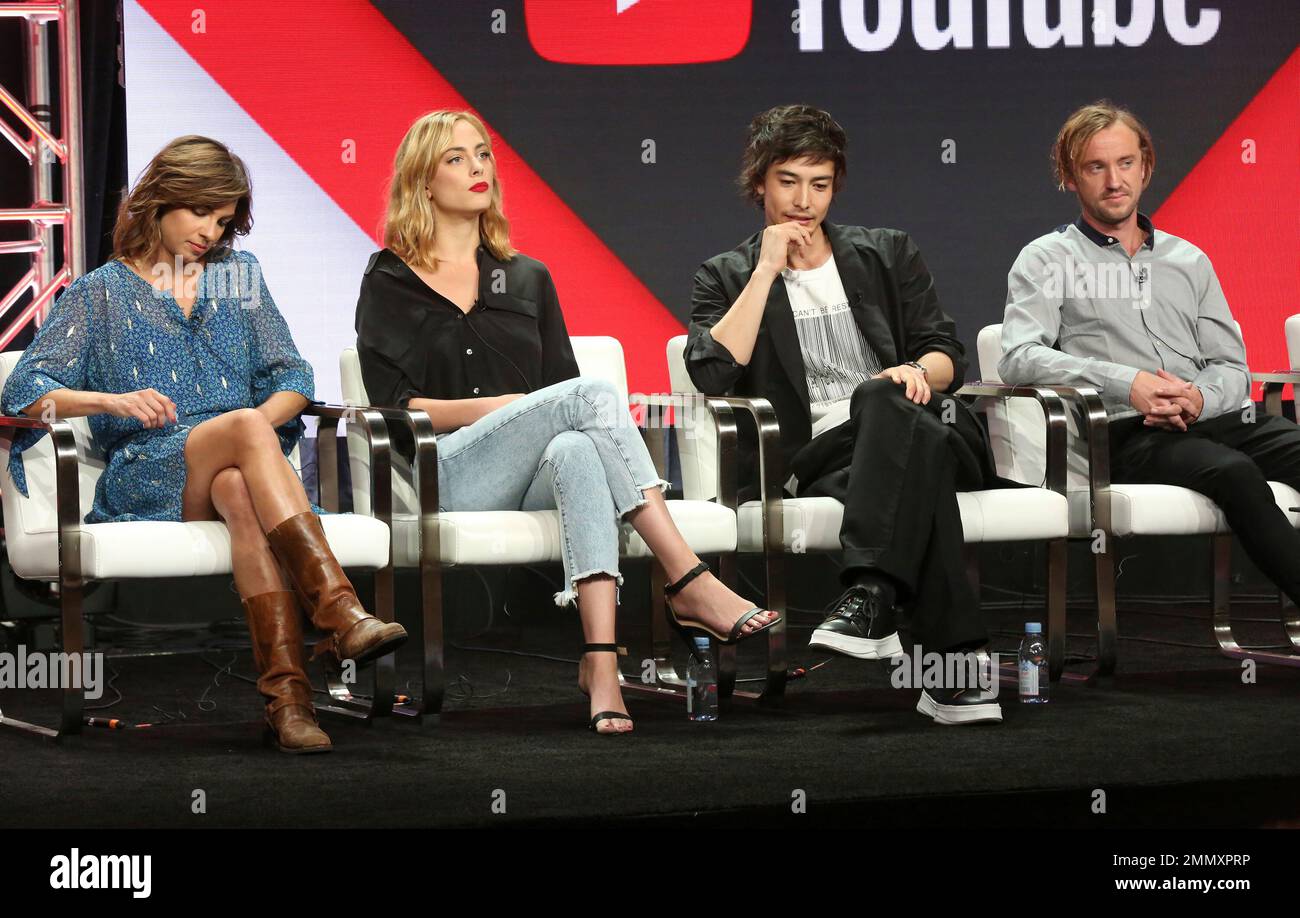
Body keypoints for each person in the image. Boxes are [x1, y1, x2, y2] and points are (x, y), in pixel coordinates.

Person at [354, 110, 780, 735]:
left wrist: (532, 411)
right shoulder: (389, 277)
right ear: (421, 182)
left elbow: (563, 395)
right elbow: (397, 406)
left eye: (484, 155)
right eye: (456, 159)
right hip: (444, 466)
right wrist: (501, 409)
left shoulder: (527, 276)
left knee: (579, 449)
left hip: (526, 469)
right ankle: (687, 576)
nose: (478, 168)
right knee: (593, 397)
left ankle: (600, 665)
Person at [1, 136, 407, 754]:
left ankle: (288, 703)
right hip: (151, 472)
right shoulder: (102, 292)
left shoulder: (239, 277)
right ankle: (341, 615)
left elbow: (293, 378)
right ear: (159, 200)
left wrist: (256, 432)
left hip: (233, 468)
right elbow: (23, 391)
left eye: (222, 221)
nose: (210, 234)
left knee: (240, 484)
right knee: (244, 432)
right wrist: (110, 401)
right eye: (199, 213)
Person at [686, 105, 1003, 725]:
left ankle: (872, 592)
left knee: (883, 398)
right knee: (920, 459)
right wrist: (767, 270)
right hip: (827, 458)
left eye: (820, 183)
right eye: (788, 181)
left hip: (918, 419)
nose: (804, 201)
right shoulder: (725, 274)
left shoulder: (887, 252)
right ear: (759, 184)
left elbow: (947, 354)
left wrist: (917, 372)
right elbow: (715, 373)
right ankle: (953, 670)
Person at [1000, 100, 1300, 613]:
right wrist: (1128, 382)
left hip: (1207, 417)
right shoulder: (1048, 258)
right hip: (1123, 431)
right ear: (1071, 177)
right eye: (1096, 167)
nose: (1114, 181)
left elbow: (1231, 364)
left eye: (1125, 163)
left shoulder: (1189, 261)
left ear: (1146, 167)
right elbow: (1019, 357)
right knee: (1233, 473)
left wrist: (1197, 398)